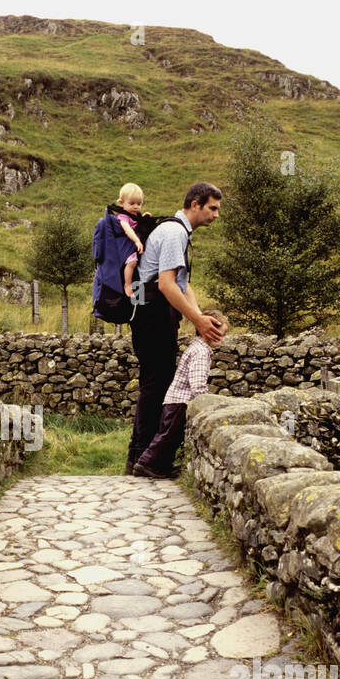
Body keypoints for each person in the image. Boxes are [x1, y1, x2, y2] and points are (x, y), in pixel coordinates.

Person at [125, 182, 229, 474]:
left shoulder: (178, 232)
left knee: (156, 383)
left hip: (153, 314)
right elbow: (166, 284)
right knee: (156, 385)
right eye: (213, 208)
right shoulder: (174, 233)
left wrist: (198, 316)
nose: (216, 215)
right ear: (194, 204)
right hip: (153, 314)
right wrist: (197, 321)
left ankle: (141, 459)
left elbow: (183, 284)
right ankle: (145, 460)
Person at [131, 331, 218, 478]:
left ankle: (161, 466)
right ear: (207, 331)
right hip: (181, 400)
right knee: (168, 436)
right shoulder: (201, 352)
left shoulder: (197, 348)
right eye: (220, 333)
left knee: (171, 435)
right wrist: (207, 404)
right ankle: (146, 464)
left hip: (176, 399)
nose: (222, 338)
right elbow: (197, 385)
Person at [112, 182, 147, 298]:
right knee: (132, 262)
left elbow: (138, 224)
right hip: (123, 246)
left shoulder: (134, 215)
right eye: (132, 203)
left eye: (139, 203)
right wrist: (137, 241)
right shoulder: (122, 217)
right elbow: (128, 230)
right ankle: (127, 285)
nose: (136, 207)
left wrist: (145, 217)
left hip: (130, 245)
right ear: (122, 203)